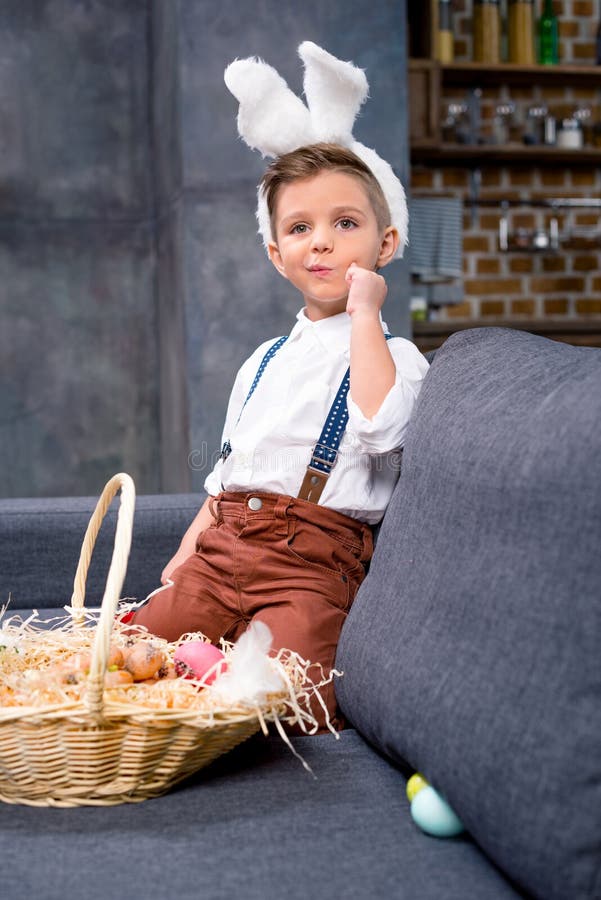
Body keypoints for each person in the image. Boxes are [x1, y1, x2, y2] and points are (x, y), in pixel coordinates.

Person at [129, 47, 430, 732]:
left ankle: (232, 674)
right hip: (225, 542)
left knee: (296, 697)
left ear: (385, 243)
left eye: (344, 224)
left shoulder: (396, 355)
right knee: (133, 651)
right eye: (300, 228)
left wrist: (363, 315)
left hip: (313, 562)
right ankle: (205, 662)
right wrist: (183, 558)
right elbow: (226, 475)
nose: (320, 243)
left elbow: (385, 432)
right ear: (276, 254)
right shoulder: (261, 359)